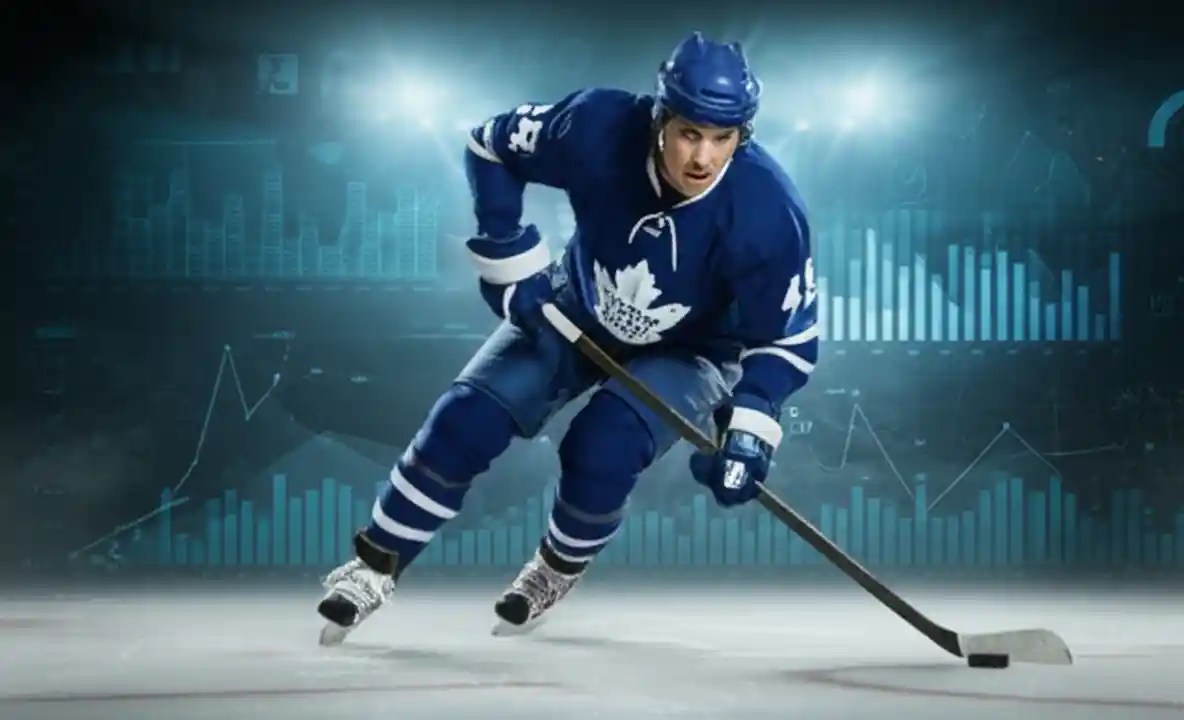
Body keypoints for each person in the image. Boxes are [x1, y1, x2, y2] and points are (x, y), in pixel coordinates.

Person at [316, 31, 819, 645]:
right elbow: (491, 145)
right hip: (576, 305)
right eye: (690, 132)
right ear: (660, 118)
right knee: (463, 421)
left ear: (745, 135)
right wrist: (507, 252)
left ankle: (556, 567)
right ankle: (374, 565)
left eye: (723, 138)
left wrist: (749, 430)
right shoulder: (595, 125)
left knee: (601, 450)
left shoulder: (770, 212)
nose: (703, 158)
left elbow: (786, 340)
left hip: (693, 352)